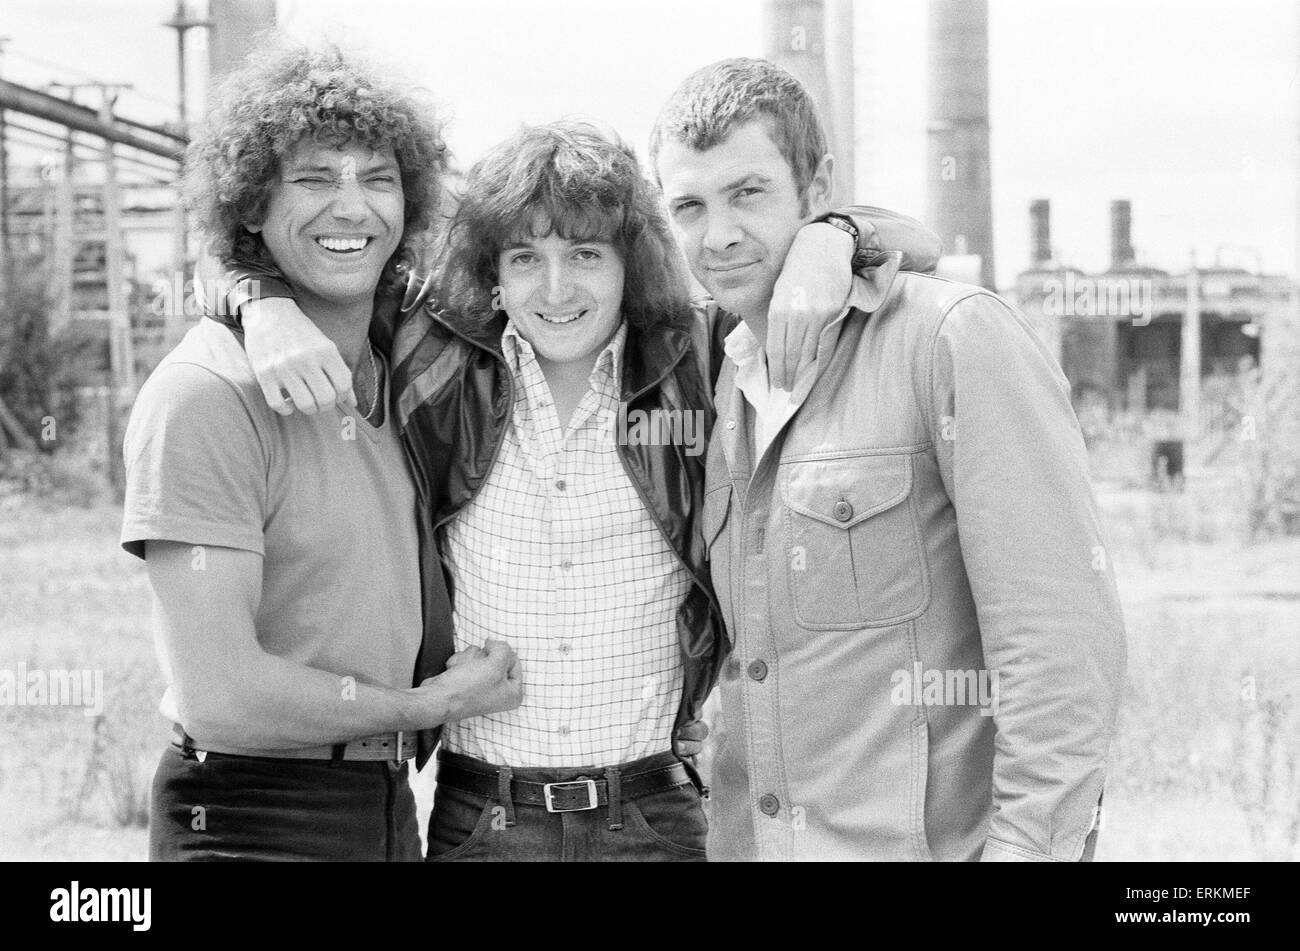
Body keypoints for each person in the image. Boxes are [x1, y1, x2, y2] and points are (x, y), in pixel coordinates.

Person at [220, 111, 939, 858]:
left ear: (631, 261)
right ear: (492, 272)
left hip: (656, 812)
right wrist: (257, 299)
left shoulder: (694, 354)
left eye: (586, 254)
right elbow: (292, 257)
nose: (556, 289)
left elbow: (918, 246)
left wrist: (834, 236)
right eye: (525, 258)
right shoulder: (430, 355)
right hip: (482, 816)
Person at [651, 57, 1127, 861]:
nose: (719, 234)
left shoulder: (949, 339)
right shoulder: (715, 369)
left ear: (818, 185)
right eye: (690, 206)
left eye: (749, 193)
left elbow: (1061, 651)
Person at [120, 46, 522, 862]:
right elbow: (221, 695)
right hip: (247, 819)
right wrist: (428, 704)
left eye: (378, 178)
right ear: (251, 208)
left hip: (380, 811)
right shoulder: (205, 395)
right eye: (312, 179)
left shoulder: (403, 358)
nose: (352, 207)